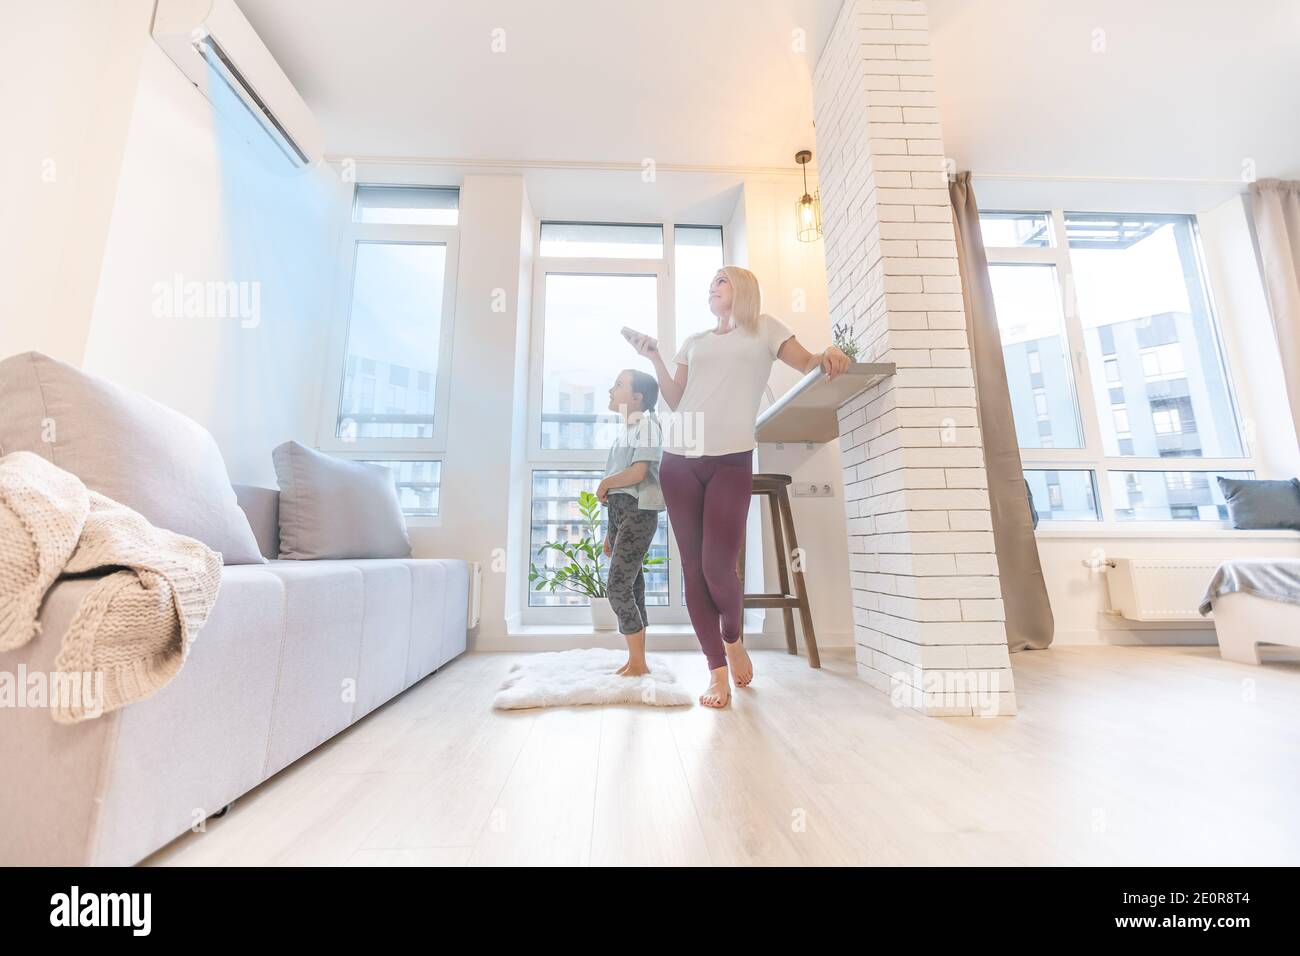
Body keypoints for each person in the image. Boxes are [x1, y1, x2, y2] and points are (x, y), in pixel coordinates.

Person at [625, 266, 849, 707]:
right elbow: (675, 399)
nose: (712, 285)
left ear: (744, 287)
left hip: (731, 458)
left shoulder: (765, 329)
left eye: (722, 280)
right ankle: (717, 671)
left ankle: (732, 638)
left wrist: (829, 352)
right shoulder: (694, 342)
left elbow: (806, 363)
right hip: (679, 457)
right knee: (692, 570)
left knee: (717, 567)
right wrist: (654, 357)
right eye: (710, 282)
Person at [596, 369, 664, 678]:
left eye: (619, 384)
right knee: (632, 585)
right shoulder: (626, 430)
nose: (611, 389)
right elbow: (618, 493)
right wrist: (611, 532)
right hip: (621, 514)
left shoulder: (648, 425)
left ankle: (639, 663)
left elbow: (637, 474)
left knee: (617, 586)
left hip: (639, 512)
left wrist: (605, 483)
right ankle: (636, 659)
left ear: (637, 397)